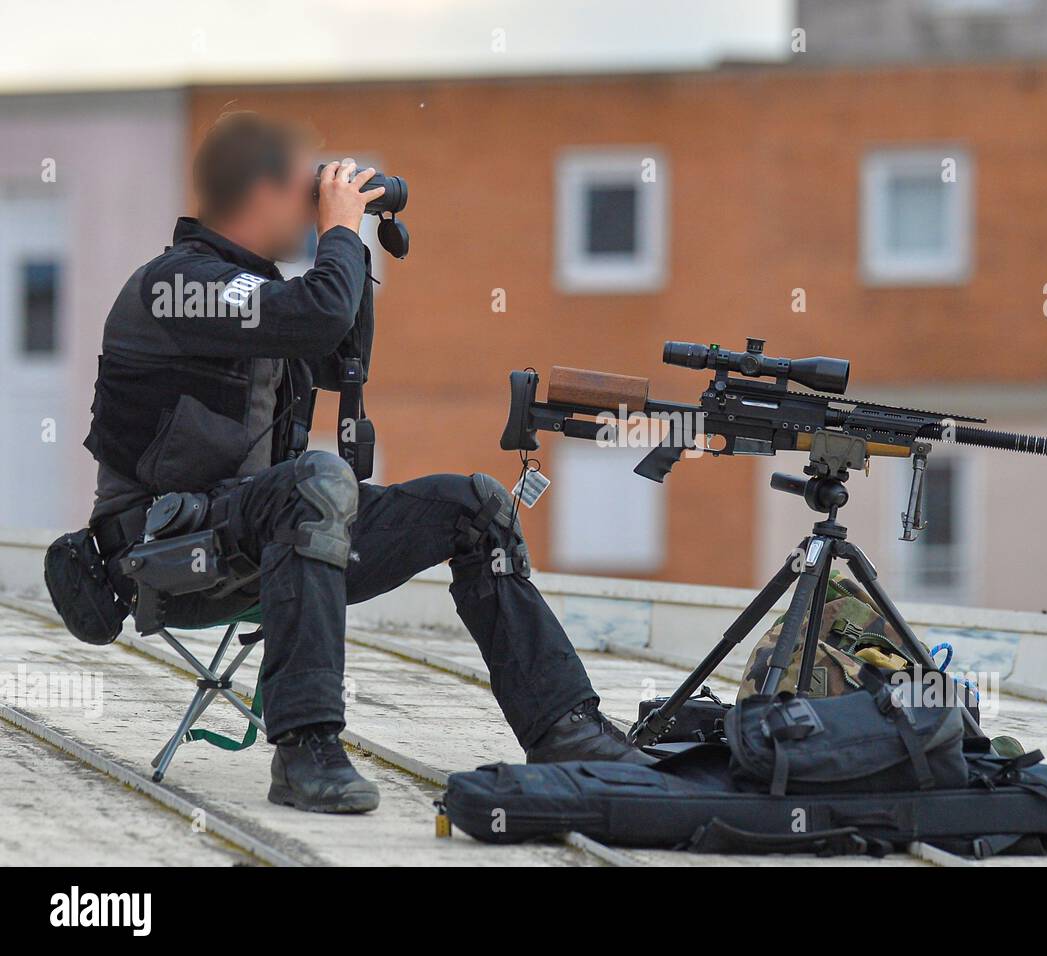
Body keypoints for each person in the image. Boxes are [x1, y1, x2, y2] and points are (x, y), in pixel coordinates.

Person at [85, 112, 649, 814]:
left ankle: (565, 728)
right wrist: (343, 231)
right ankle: (307, 750)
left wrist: (350, 242)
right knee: (321, 480)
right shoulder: (171, 285)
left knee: (474, 507)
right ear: (261, 192)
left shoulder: (261, 296)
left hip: (263, 540)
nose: (320, 197)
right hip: (162, 554)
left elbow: (338, 352)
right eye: (306, 183)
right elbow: (318, 314)